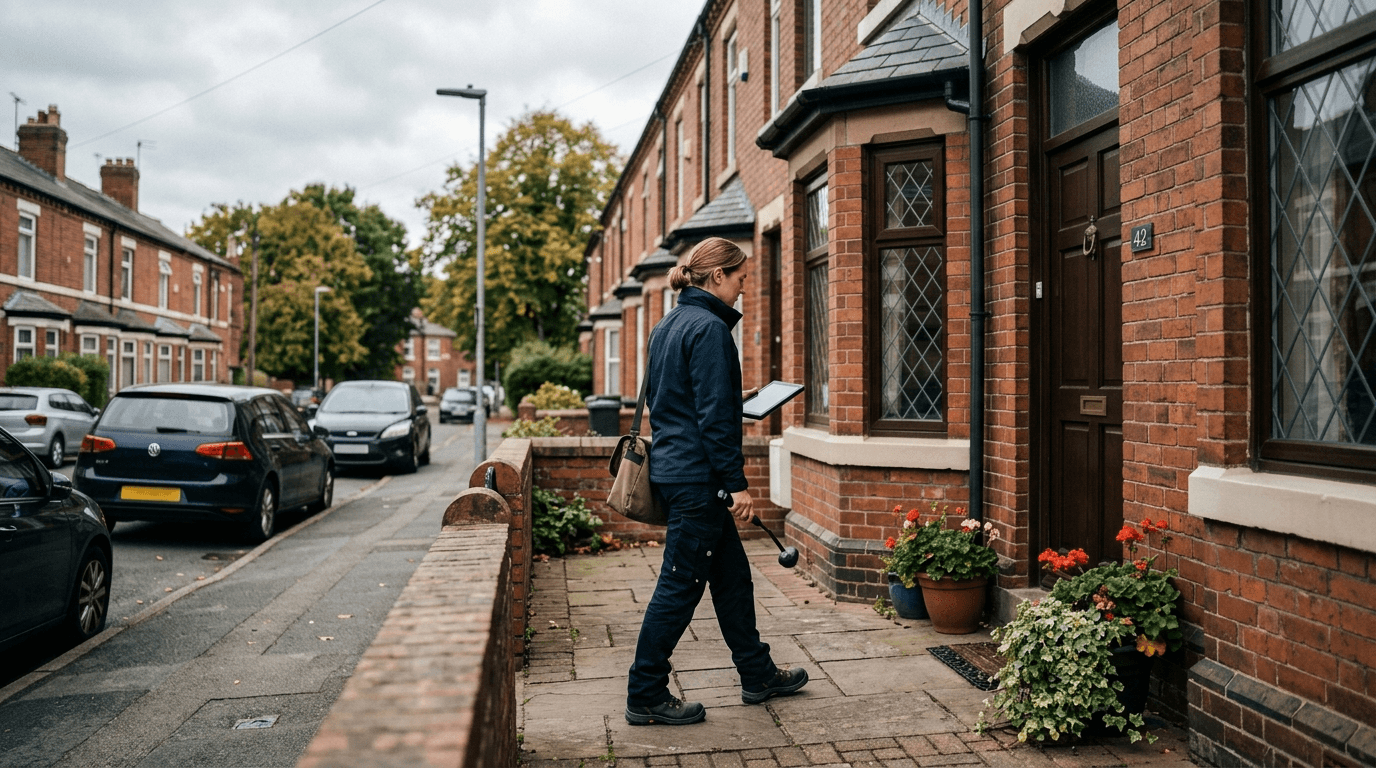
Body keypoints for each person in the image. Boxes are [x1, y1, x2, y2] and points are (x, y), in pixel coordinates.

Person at [625, 237, 808, 726]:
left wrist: (733, 394)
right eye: (741, 278)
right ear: (717, 277)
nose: (745, 288)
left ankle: (757, 674)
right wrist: (738, 484)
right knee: (678, 587)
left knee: (732, 580)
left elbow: (679, 400)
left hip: (680, 470)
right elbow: (710, 422)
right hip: (698, 481)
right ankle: (645, 692)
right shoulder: (708, 329)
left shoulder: (668, 324)